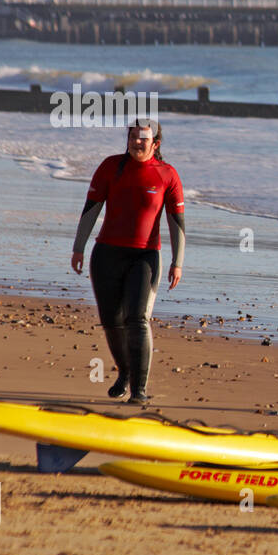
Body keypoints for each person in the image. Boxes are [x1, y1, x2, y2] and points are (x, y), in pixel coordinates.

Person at [70, 120, 185, 405]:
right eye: (132, 137)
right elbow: (91, 209)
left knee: (137, 319)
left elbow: (177, 222)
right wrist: (78, 248)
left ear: (155, 143)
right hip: (107, 254)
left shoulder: (167, 175)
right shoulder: (111, 167)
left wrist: (177, 262)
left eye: (142, 139)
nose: (136, 143)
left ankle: (139, 389)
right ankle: (124, 371)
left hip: (145, 257)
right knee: (112, 322)